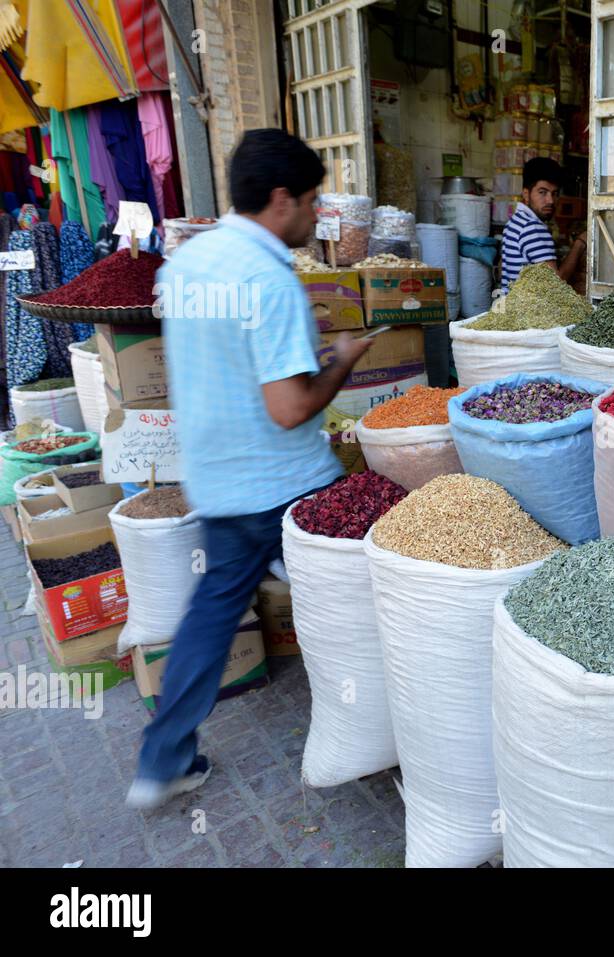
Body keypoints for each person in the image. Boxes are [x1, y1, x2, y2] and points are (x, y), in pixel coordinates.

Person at [126, 129, 372, 809]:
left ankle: (161, 762)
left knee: (211, 616)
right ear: (281, 198)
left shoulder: (186, 266)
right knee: (366, 593)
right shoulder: (269, 279)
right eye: (313, 201)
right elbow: (290, 408)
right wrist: (342, 361)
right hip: (288, 485)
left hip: (217, 479)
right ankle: (383, 720)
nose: (317, 215)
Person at [500, 157, 586, 293]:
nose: (550, 200)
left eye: (555, 193)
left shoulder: (515, 220)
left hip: (510, 302)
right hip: (527, 306)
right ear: (526, 194)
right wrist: (580, 243)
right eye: (542, 192)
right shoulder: (533, 228)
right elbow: (556, 284)